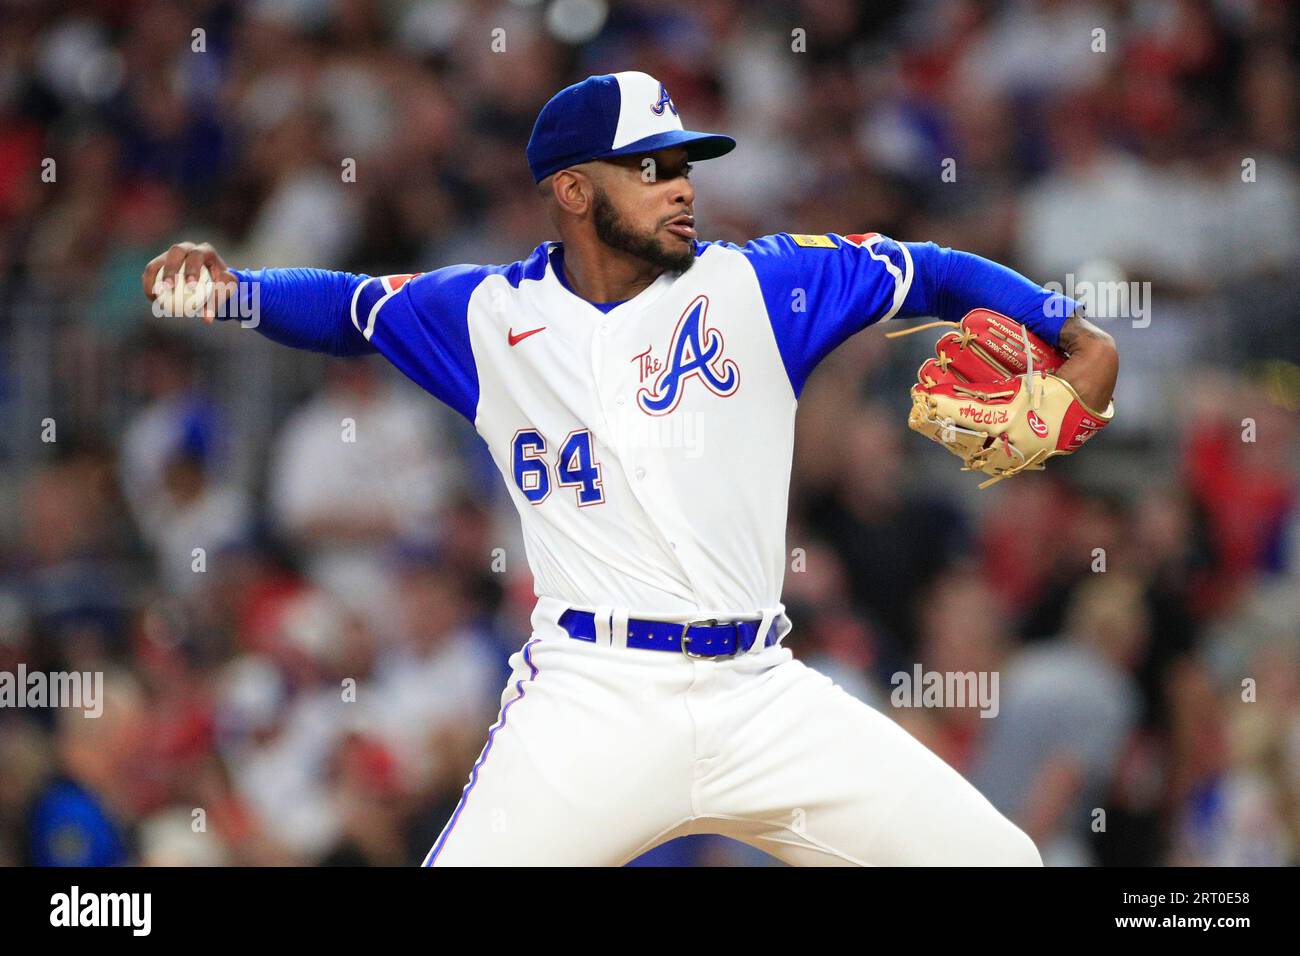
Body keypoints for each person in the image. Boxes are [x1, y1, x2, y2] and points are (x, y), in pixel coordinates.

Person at [143, 71, 1118, 866]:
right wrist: (232, 292)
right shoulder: (484, 315)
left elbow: (930, 268)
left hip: (759, 688)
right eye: (650, 167)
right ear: (572, 188)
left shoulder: (760, 283)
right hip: (591, 694)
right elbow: (346, 307)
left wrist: (1065, 331)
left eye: (685, 164)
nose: (682, 184)